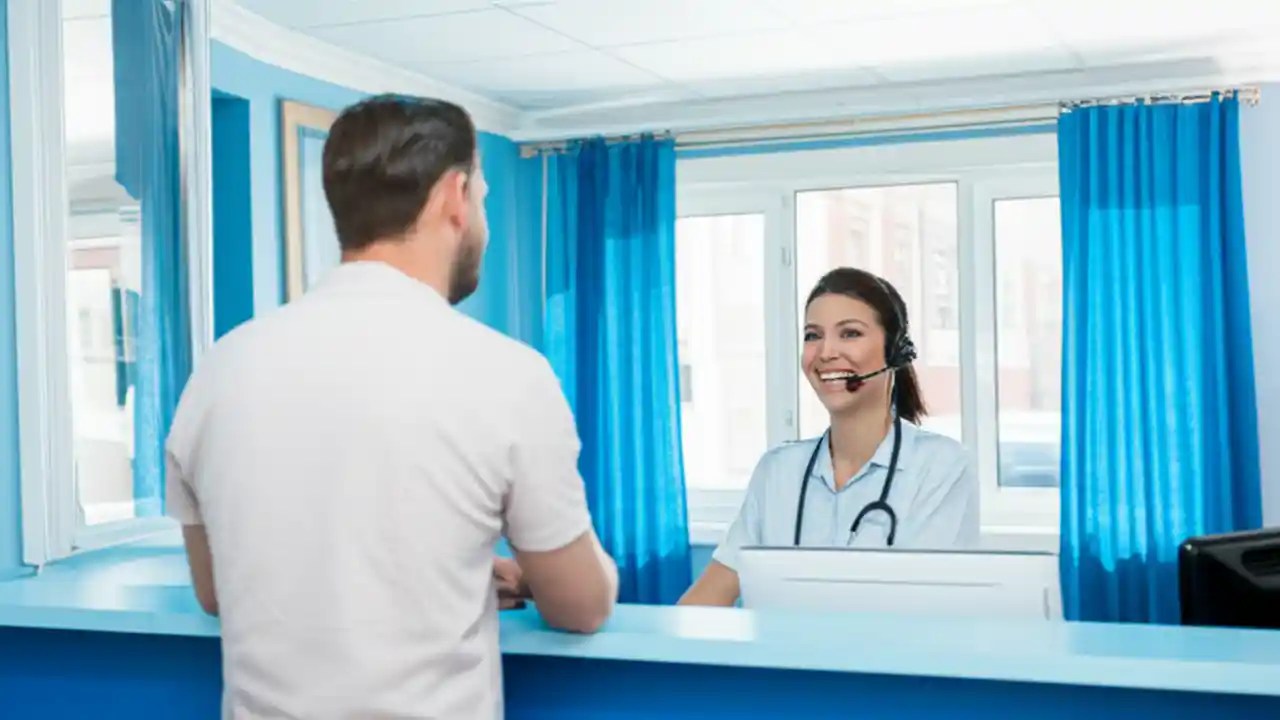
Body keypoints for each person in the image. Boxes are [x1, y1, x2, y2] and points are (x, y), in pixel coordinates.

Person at [166, 95, 618, 719]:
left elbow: (216, 591)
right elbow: (583, 607)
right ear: (454, 196)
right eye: (483, 197)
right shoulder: (508, 375)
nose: (482, 218)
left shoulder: (217, 372)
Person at [679, 267, 978, 607]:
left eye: (850, 333)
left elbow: (924, 609)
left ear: (895, 352)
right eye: (812, 335)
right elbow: (708, 596)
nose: (825, 352)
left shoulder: (939, 466)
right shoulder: (778, 471)